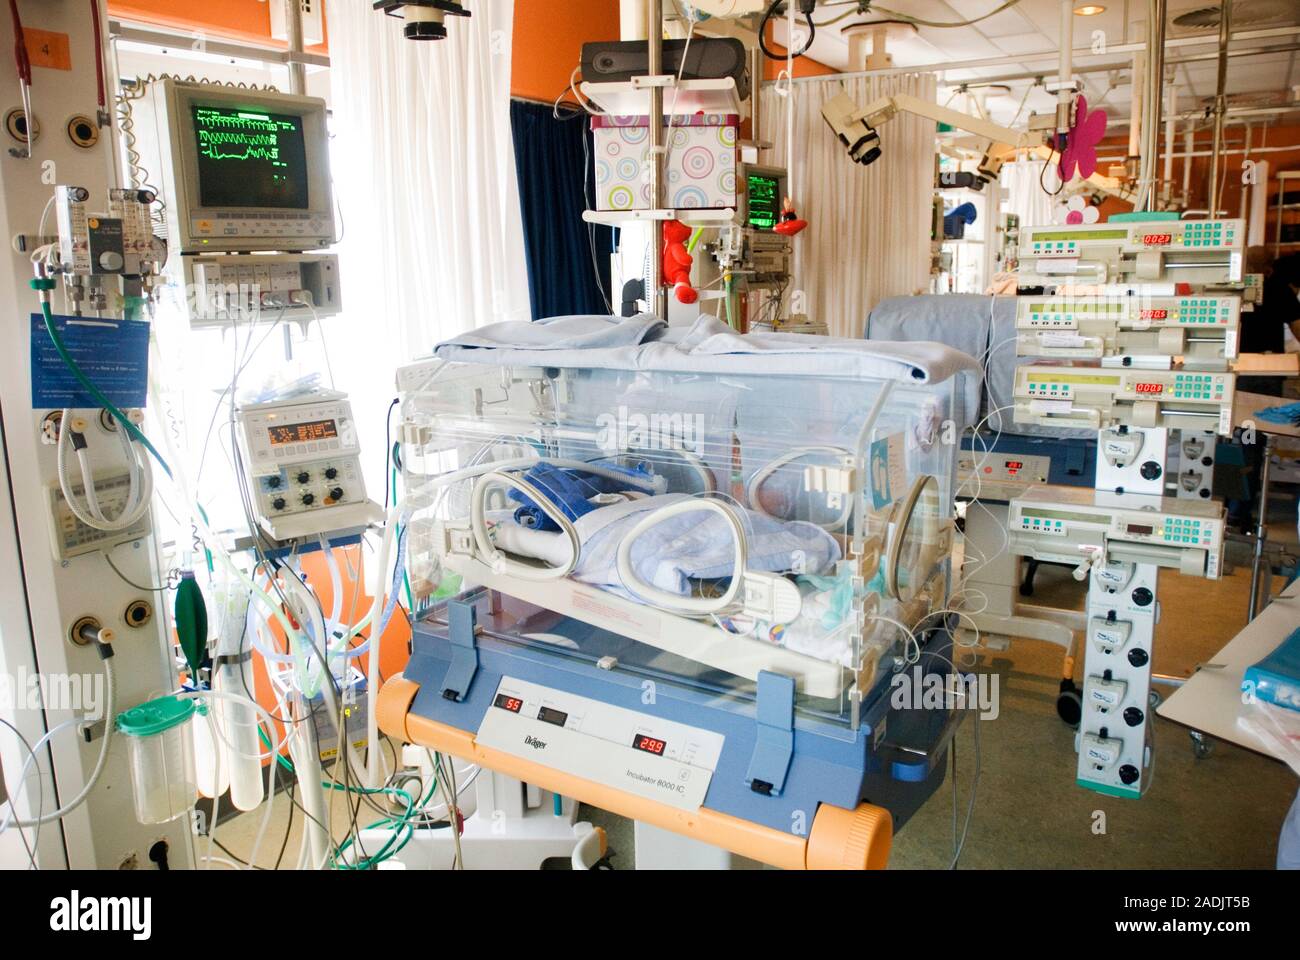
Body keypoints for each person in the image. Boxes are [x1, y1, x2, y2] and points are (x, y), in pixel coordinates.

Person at [1238, 248, 1300, 397]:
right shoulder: (1280, 290)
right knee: (1266, 412)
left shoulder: (1235, 290)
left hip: (1238, 363)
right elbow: (1298, 327)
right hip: (1270, 366)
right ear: (1269, 268)